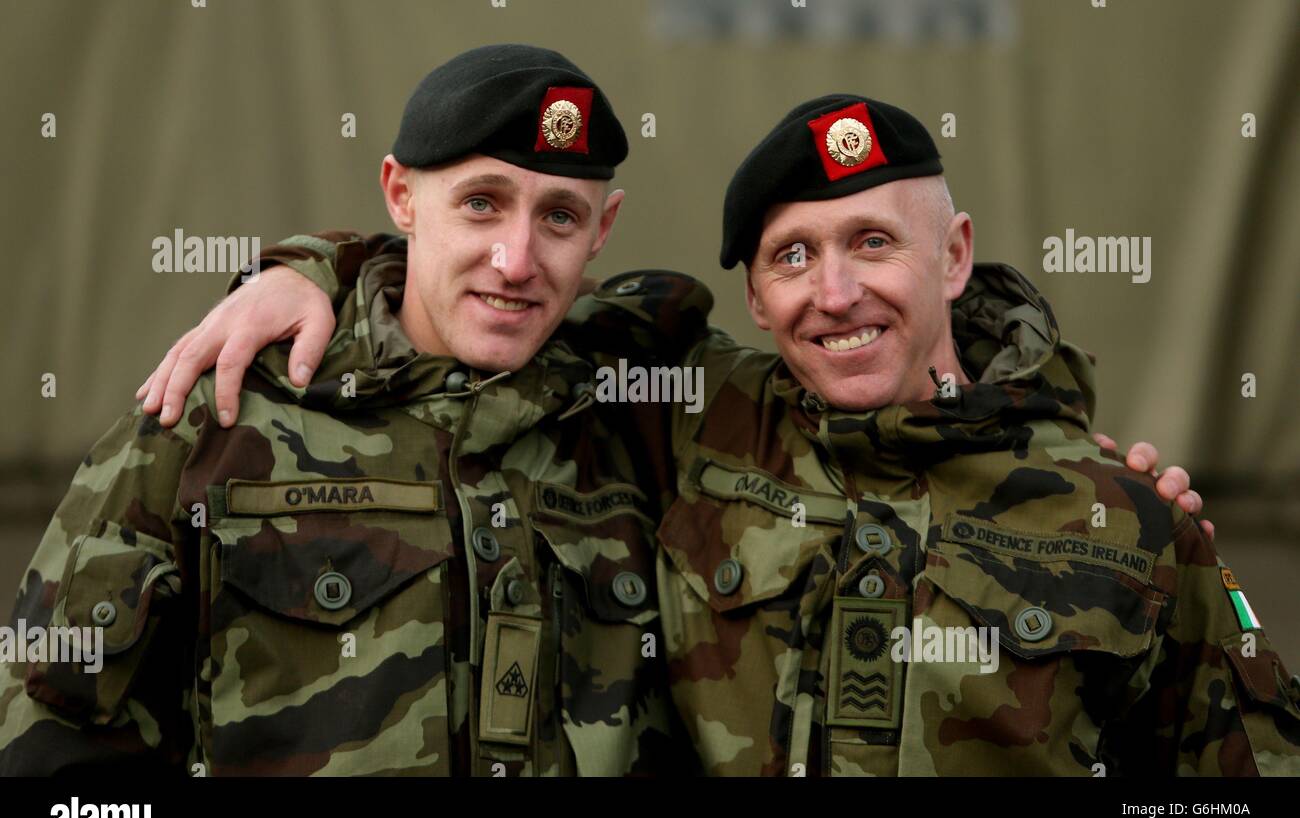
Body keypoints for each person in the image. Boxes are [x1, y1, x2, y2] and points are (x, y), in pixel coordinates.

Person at [130, 85, 1275, 774]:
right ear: (757, 305)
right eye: (792, 258)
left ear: (955, 254)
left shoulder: (1117, 514)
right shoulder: (689, 415)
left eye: (873, 241)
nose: (835, 294)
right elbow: (472, 303)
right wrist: (300, 271)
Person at [0, 44, 701, 777]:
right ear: (400, 194)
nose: (516, 260)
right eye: (480, 204)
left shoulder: (642, 409)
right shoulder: (221, 412)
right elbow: (52, 751)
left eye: (559, 216)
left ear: (603, 228)